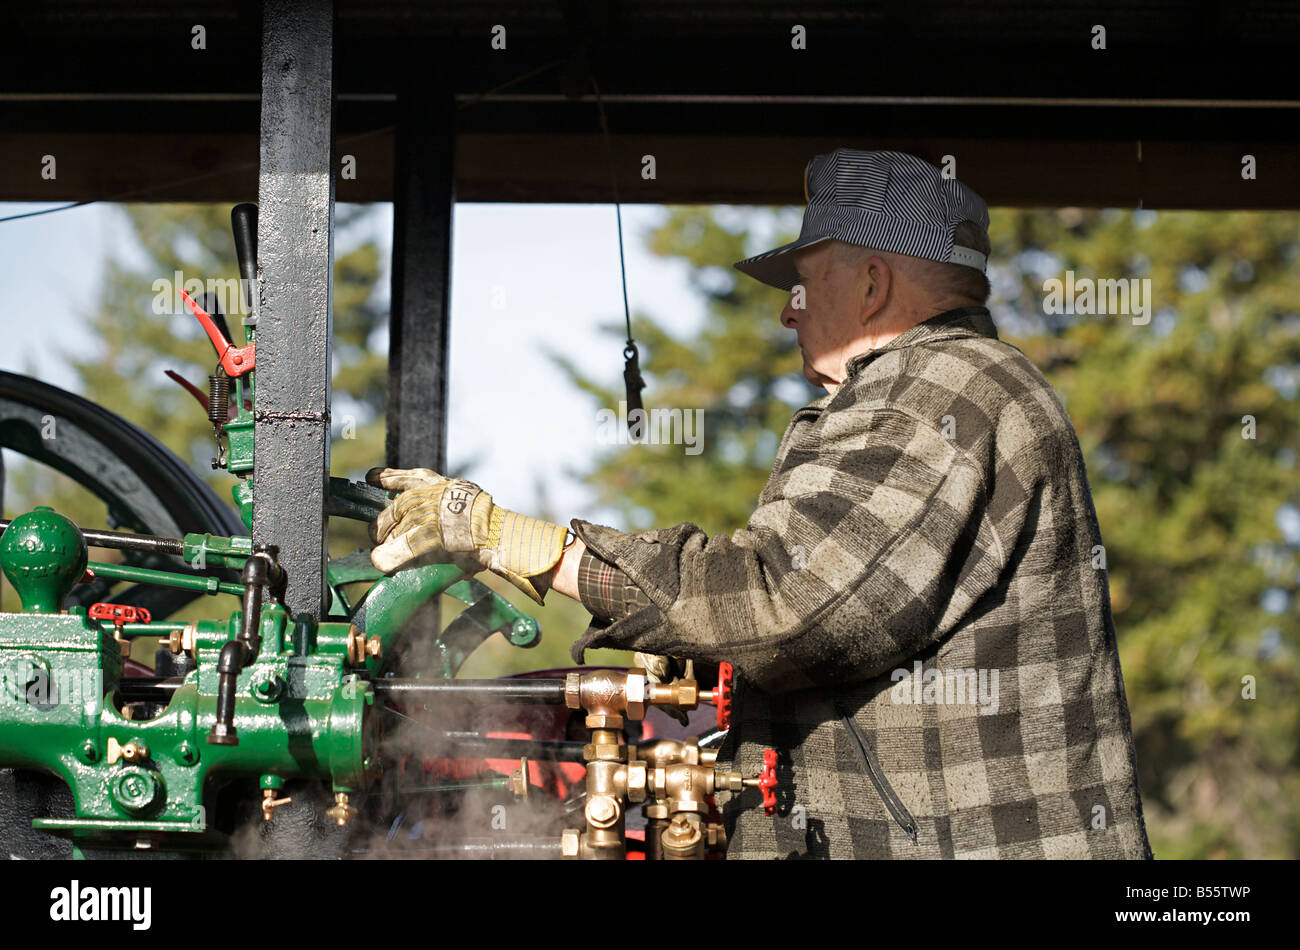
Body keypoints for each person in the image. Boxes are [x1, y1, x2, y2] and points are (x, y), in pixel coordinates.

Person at [366, 148, 1153, 859]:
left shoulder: (935, 390)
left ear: (875, 283)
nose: (788, 311)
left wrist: (523, 543)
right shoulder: (957, 388)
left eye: (803, 285)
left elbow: (786, 601)